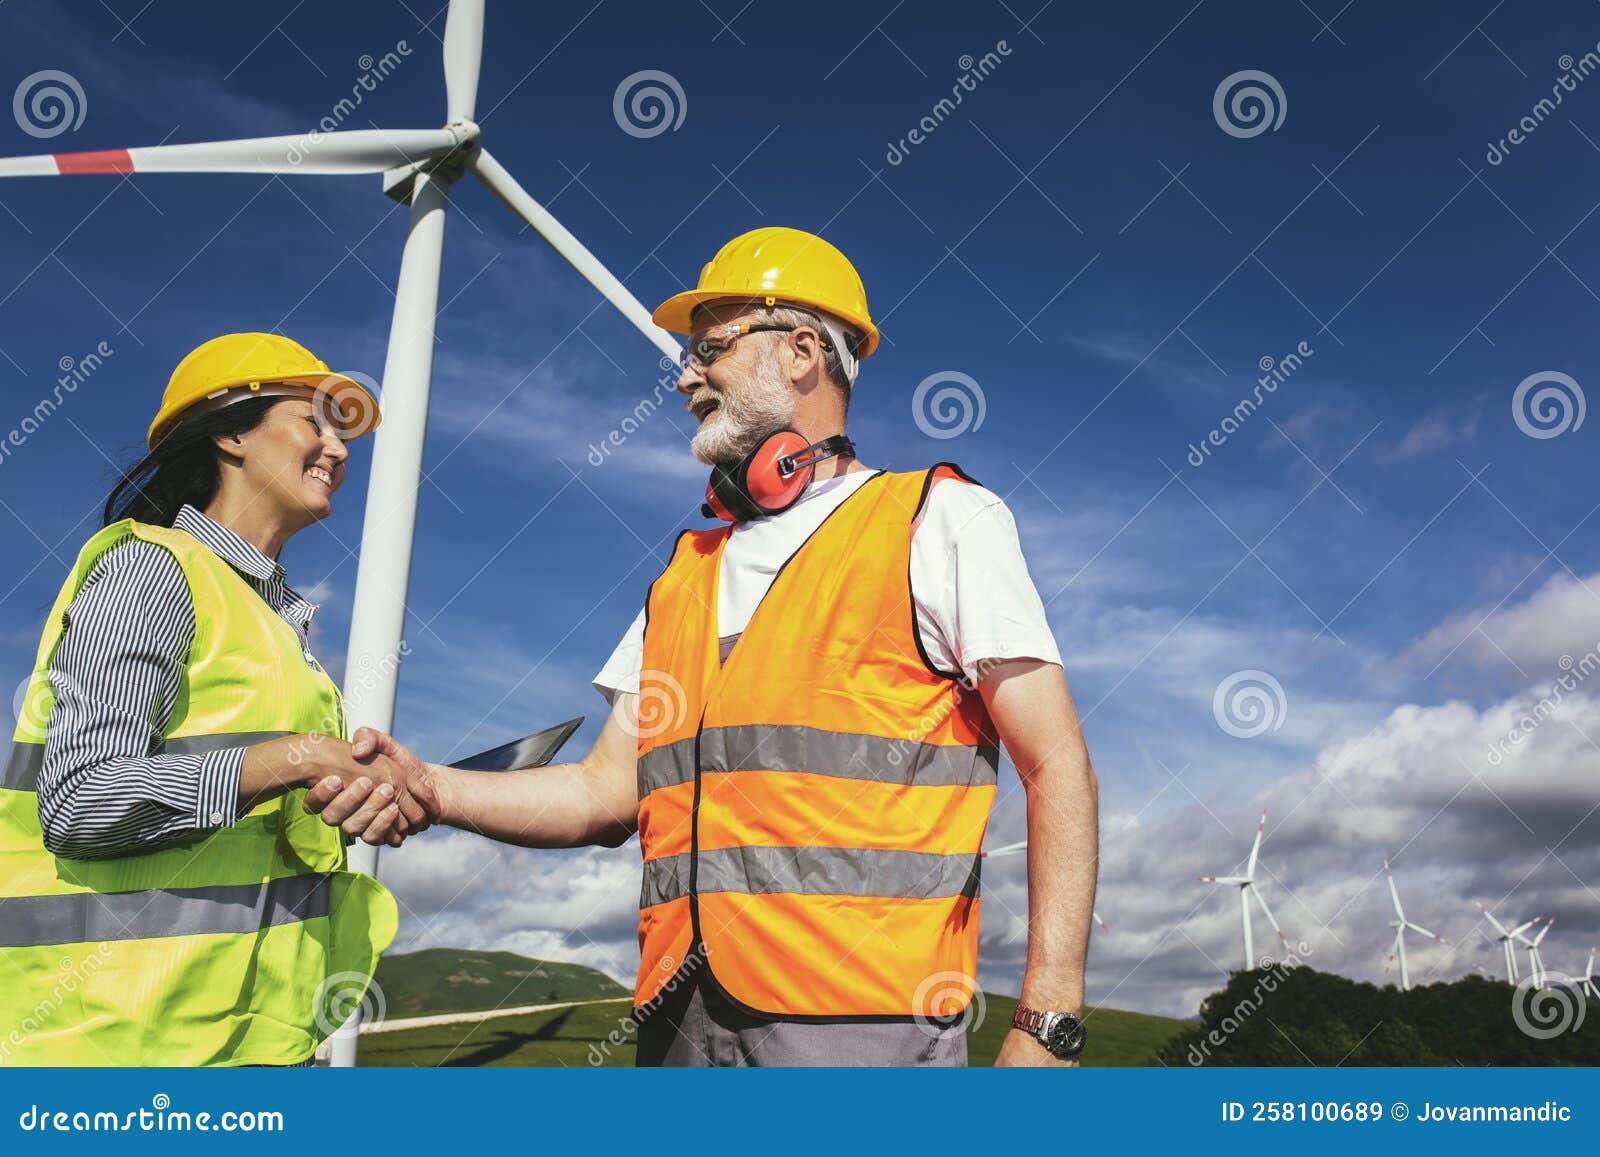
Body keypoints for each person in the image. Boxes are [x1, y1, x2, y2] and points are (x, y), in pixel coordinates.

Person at [328, 227, 1100, 1066]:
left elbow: (1055, 764)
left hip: (863, 1025)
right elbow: (602, 794)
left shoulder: (936, 519)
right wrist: (431, 786)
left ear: (803, 351)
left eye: (710, 348)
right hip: (676, 1021)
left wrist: (1047, 1019)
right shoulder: (683, 575)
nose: (686, 374)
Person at [0, 332, 431, 1066]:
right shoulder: (152, 570)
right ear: (231, 432)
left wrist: (350, 792)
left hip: (248, 1047)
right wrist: (294, 757)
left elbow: (263, 824)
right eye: (315, 422)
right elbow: (79, 801)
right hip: (115, 1054)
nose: (340, 447)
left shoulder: (274, 624)